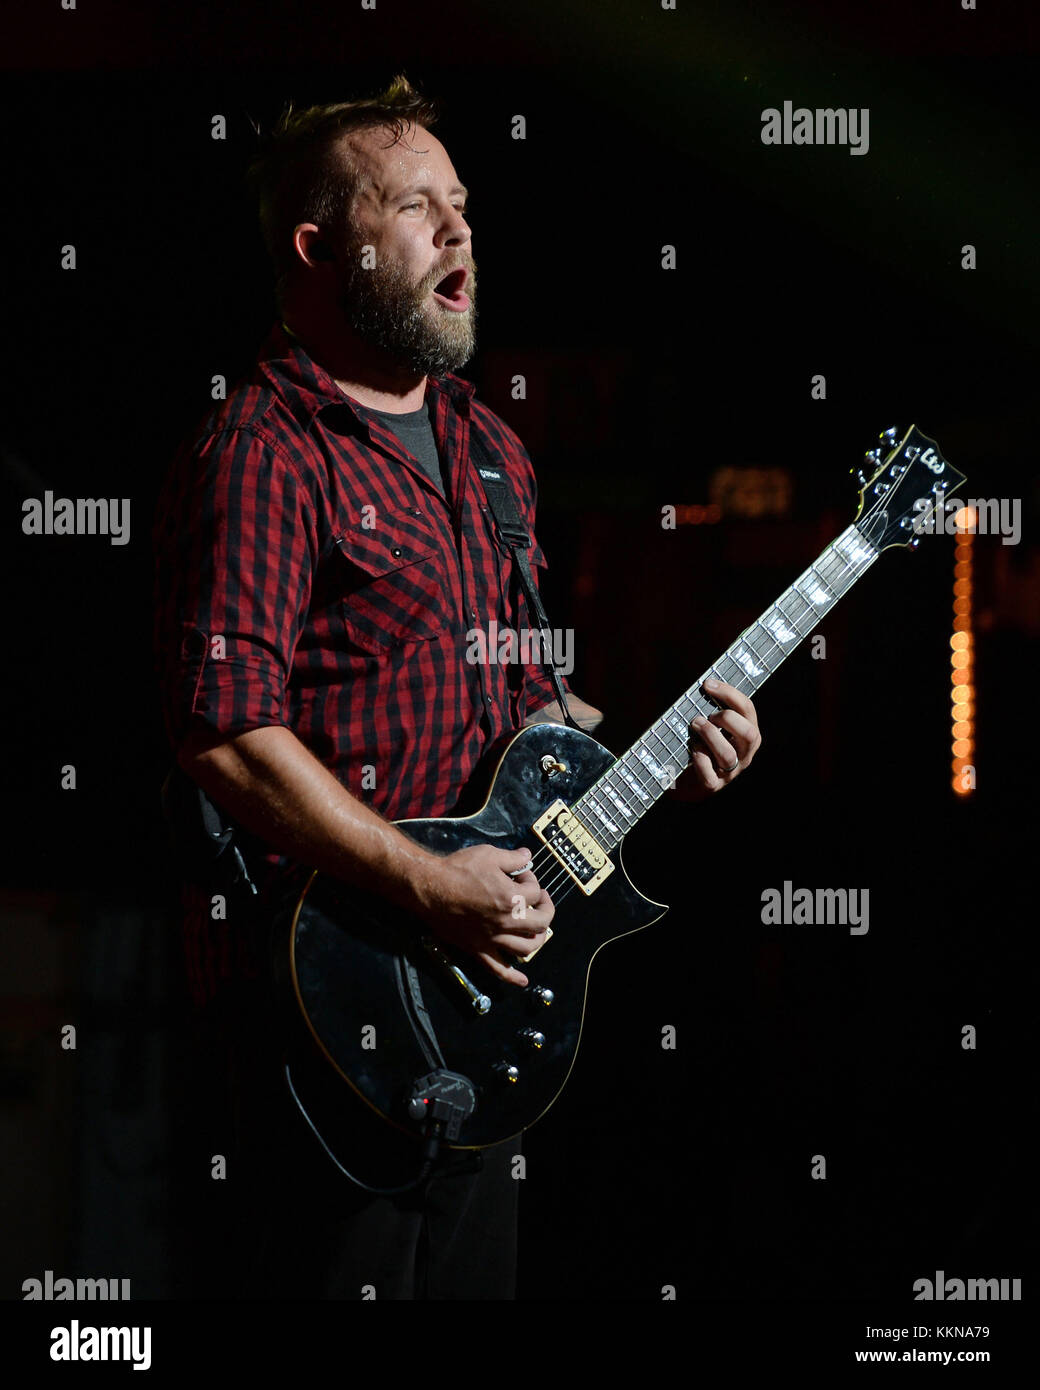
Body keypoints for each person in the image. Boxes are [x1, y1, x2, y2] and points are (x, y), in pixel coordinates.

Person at [153, 74, 761, 1300]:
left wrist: (663, 750)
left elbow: (537, 715)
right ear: (321, 248)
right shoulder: (262, 450)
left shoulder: (492, 451)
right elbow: (223, 735)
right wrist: (431, 883)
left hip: (485, 1017)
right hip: (323, 1018)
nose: (459, 229)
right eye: (417, 206)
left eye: (463, 205)